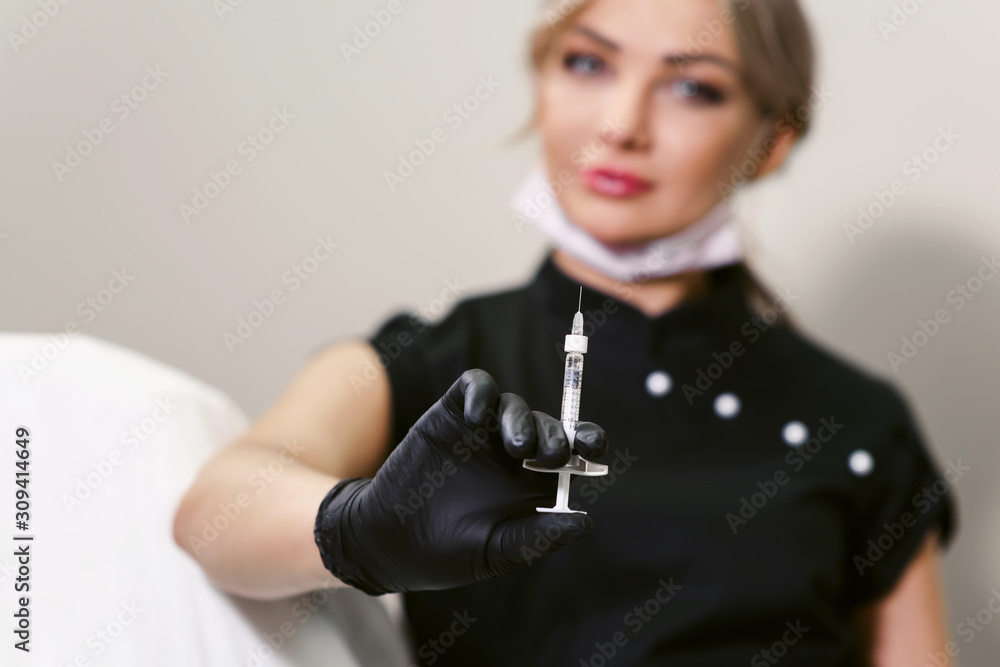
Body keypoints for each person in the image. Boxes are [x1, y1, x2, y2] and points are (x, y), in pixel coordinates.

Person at [172, 0, 958, 664]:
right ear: (543, 79)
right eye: (588, 64)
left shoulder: (858, 423)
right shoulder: (435, 363)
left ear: (772, 140)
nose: (621, 125)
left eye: (692, 87)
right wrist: (359, 529)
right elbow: (214, 510)